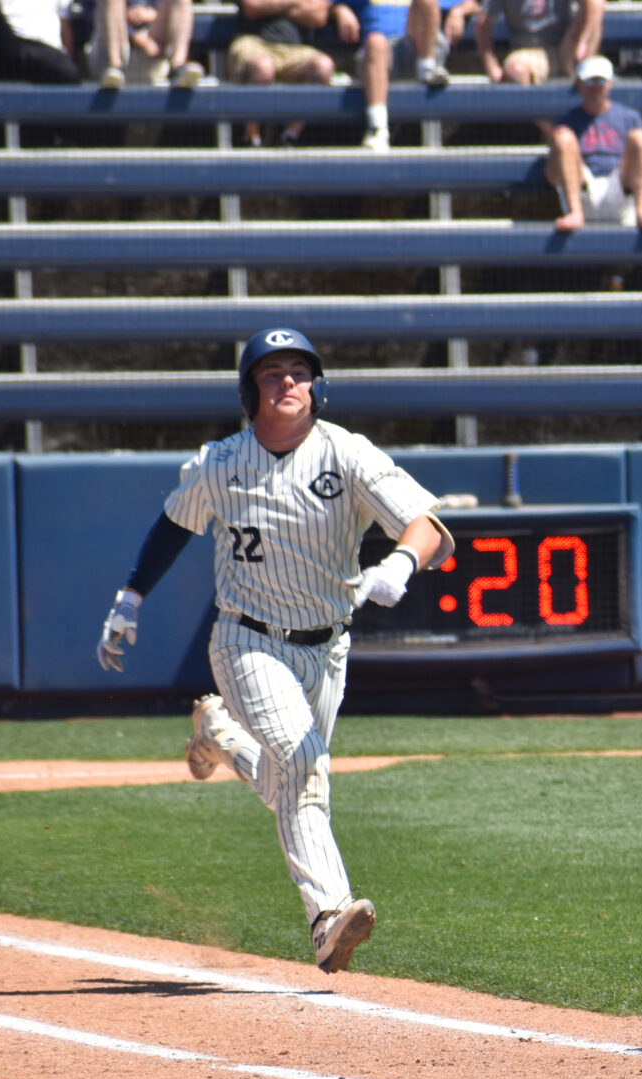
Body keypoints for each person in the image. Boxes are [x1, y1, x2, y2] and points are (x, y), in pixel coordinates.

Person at [94, 327, 454, 974]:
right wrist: (131, 598)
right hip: (247, 639)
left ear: (317, 384)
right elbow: (173, 528)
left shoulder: (346, 453)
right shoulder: (221, 462)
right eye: (271, 373)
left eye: (298, 371)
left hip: (328, 647)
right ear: (250, 390)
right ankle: (327, 915)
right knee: (305, 761)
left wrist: (400, 563)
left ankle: (222, 738)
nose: (287, 383)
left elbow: (425, 522)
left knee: (290, 779)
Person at [546, 55, 642, 233]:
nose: (595, 87)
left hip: (620, 183)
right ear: (580, 84)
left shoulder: (629, 118)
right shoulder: (566, 121)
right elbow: (552, 176)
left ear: (610, 83)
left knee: (640, 138)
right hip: (582, 185)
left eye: (600, 80)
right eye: (590, 81)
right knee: (563, 137)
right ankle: (575, 212)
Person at [228, 0, 359, 148]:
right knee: (263, 67)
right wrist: (298, 4)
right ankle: (251, 139)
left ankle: (289, 137)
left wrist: (272, 6)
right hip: (254, 42)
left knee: (323, 66)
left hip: (294, 48)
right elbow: (253, 7)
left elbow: (318, 15)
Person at [357, 0, 477, 152]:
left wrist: (459, 11)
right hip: (379, 56)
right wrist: (339, 10)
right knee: (376, 41)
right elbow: (323, 7)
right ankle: (377, 128)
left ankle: (427, 70)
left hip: (418, 47)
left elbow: (472, 3)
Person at [474, 0, 602, 88]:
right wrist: (492, 66)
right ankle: (549, 127)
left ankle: (587, 72)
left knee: (594, 7)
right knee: (516, 71)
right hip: (529, 53)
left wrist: (583, 41)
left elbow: (595, 4)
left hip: (566, 48)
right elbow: (483, 23)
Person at [82, 0, 203, 89]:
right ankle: (115, 66)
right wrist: (134, 36)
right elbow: (91, 15)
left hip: (154, 51)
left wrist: (151, 15)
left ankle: (178, 67)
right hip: (109, 52)